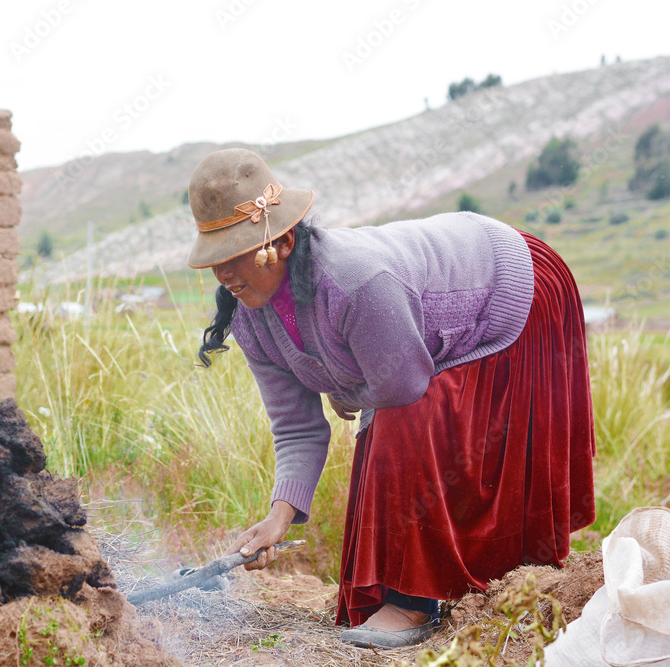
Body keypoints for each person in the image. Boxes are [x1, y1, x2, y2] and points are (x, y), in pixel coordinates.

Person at [188, 148, 595, 649]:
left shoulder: (358, 282)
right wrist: (281, 515)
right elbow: (297, 426)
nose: (223, 274)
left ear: (283, 241)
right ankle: (423, 586)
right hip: (436, 321)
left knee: (402, 422)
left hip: (511, 285)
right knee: (392, 420)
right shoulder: (251, 318)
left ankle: (412, 601)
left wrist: (346, 390)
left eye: (235, 254)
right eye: (215, 260)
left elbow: (402, 388)